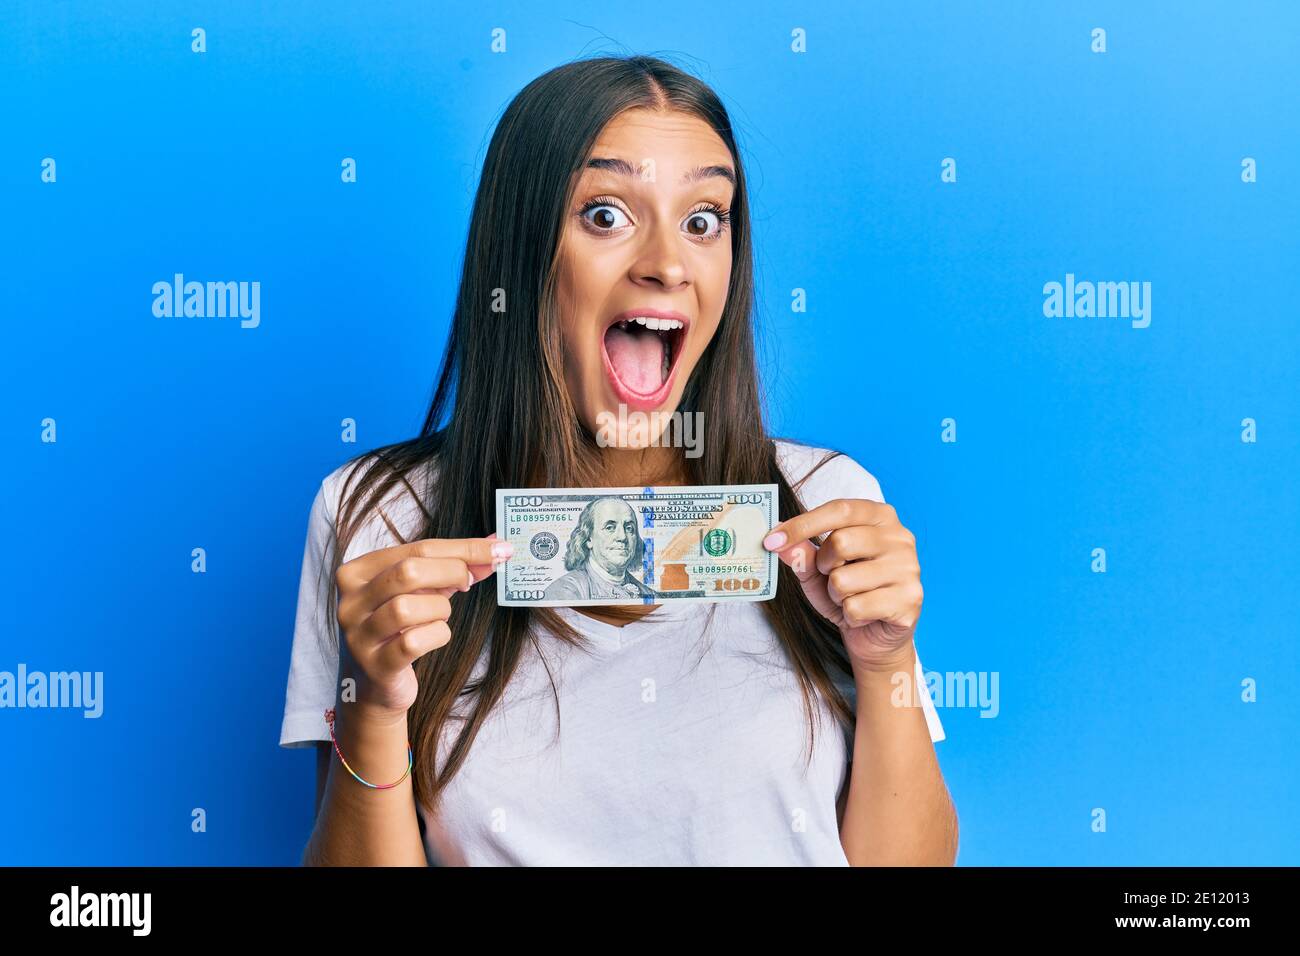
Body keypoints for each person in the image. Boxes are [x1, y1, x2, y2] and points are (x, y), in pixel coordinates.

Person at [279, 54, 957, 866]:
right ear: (524, 253)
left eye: (704, 218)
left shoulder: (822, 502)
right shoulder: (379, 516)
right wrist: (374, 707)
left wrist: (886, 660)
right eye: (605, 214)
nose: (667, 263)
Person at [541, 497, 660, 601]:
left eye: (629, 528)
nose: (622, 537)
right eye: (610, 528)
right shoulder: (565, 591)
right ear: (588, 539)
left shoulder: (650, 595)